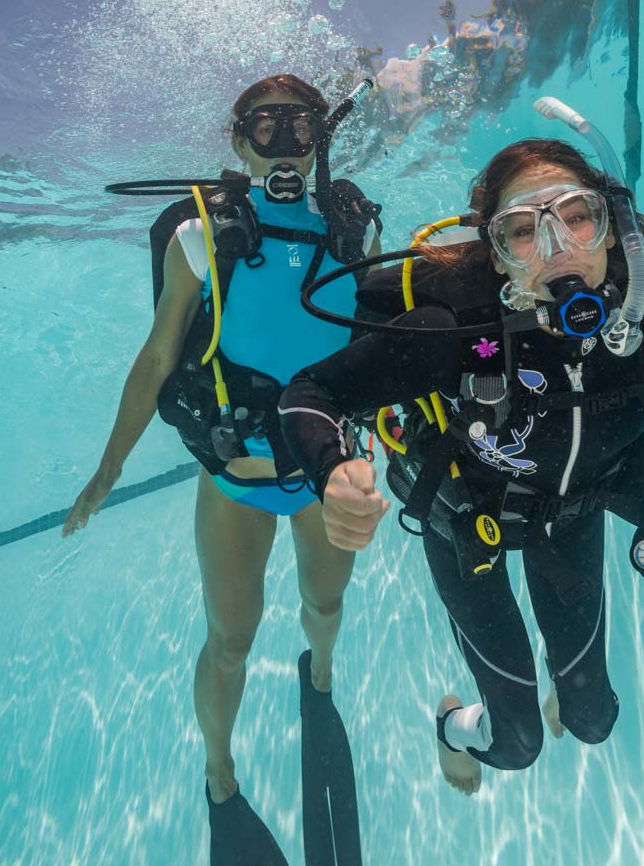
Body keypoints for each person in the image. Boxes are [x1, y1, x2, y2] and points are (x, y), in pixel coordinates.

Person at [279, 136, 644, 797]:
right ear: (496, 251)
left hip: (575, 517)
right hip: (466, 524)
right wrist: (332, 470)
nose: (558, 246)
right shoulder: (457, 326)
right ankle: (453, 726)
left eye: (576, 215)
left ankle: (563, 703)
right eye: (522, 231)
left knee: (592, 720)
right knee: (514, 744)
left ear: (610, 224)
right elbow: (311, 393)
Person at [63, 74, 380, 862]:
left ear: (321, 139)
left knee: (325, 604)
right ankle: (218, 768)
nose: (282, 144)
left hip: (324, 467)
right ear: (237, 142)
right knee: (230, 638)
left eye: (299, 126)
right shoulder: (201, 233)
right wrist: (108, 469)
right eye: (264, 127)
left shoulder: (349, 229)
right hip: (235, 477)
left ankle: (322, 675)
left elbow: (373, 344)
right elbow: (159, 353)